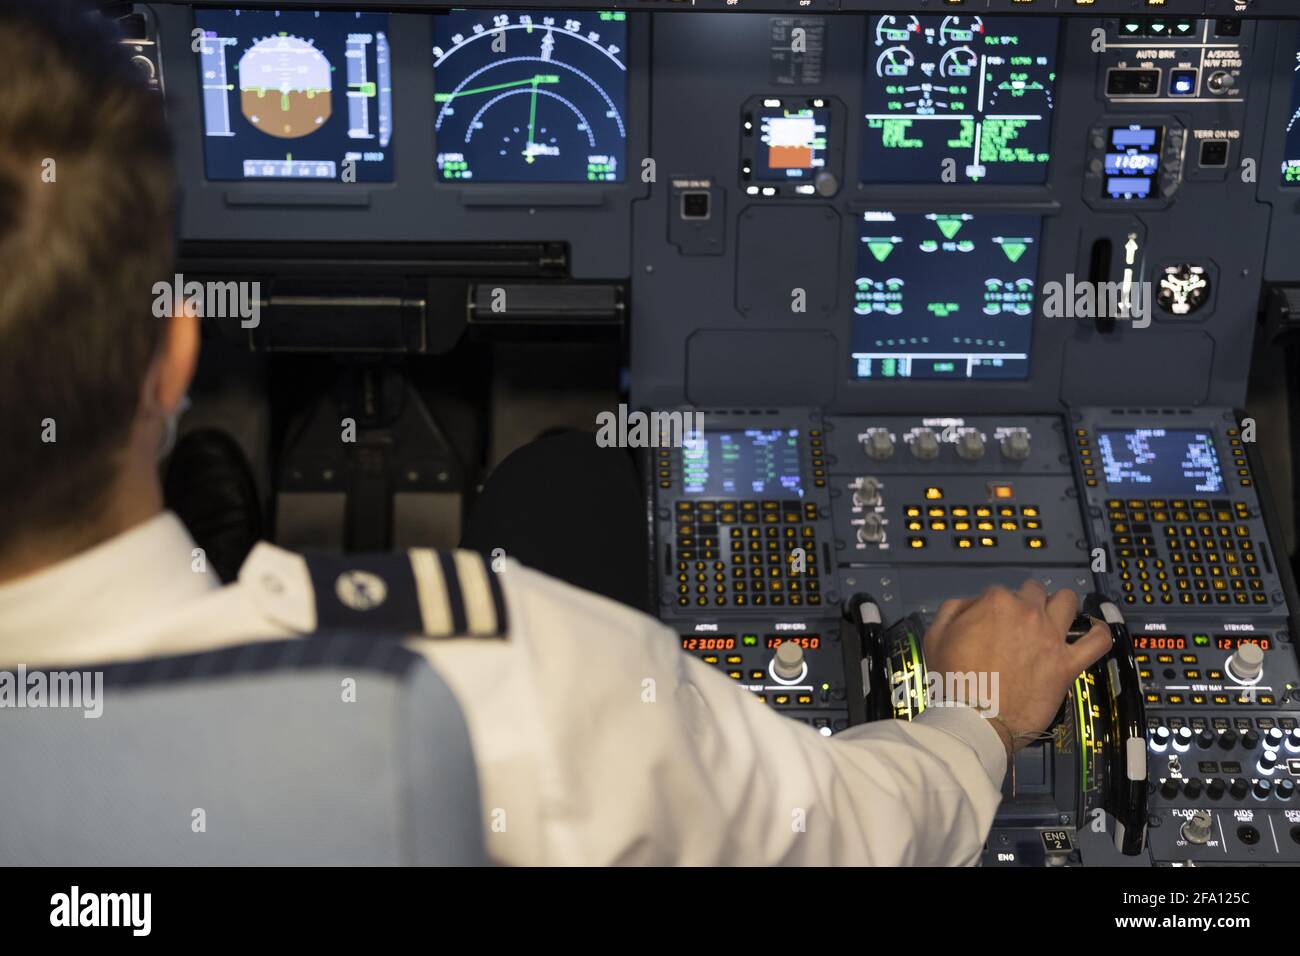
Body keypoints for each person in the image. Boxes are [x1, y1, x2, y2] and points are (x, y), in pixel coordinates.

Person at [0, 1, 1113, 865]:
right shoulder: (503, 677)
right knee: (567, 480)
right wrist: (976, 720)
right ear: (177, 351)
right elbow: (837, 833)